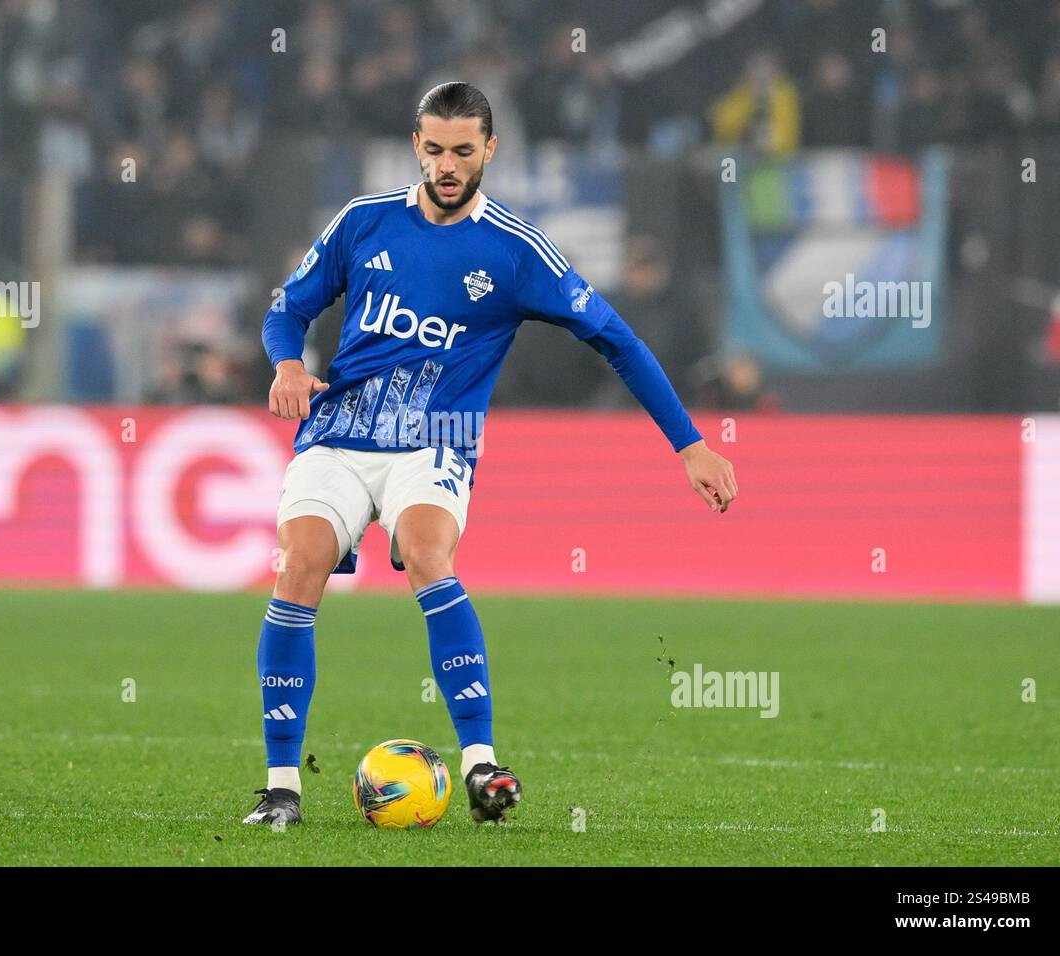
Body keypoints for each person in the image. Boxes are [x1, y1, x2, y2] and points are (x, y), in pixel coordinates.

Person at [247, 82, 737, 827]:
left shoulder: (516, 252)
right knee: (299, 563)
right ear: (417, 145)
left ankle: (480, 767)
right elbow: (289, 308)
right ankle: (283, 789)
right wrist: (287, 363)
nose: (447, 166)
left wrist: (691, 444)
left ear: (490, 151)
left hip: (435, 442)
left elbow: (617, 339)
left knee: (425, 550)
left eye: (463, 152)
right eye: (435, 150)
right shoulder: (363, 223)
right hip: (341, 433)